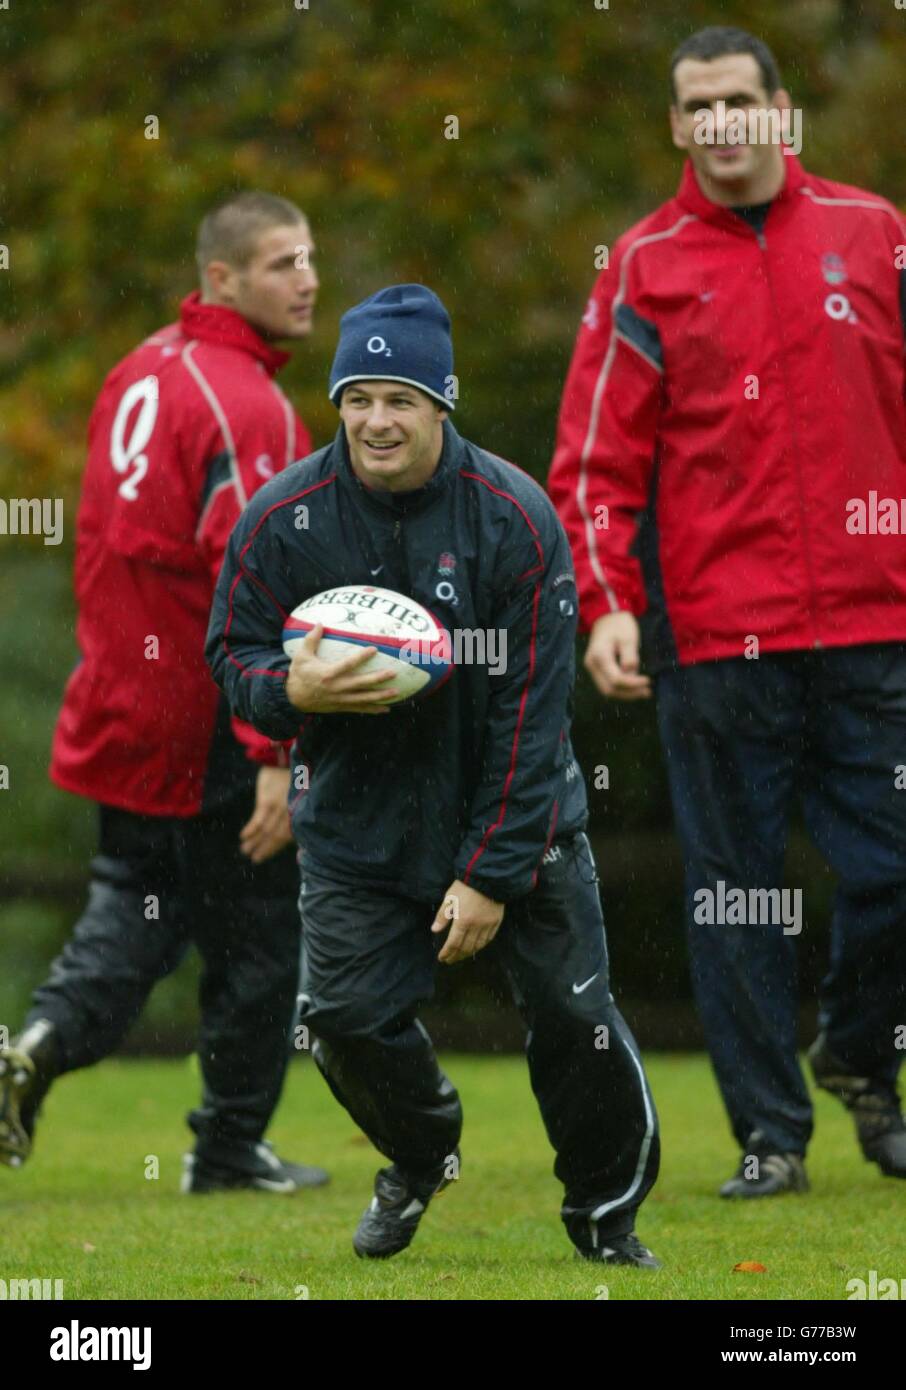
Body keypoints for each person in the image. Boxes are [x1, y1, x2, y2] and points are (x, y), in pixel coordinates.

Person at [206, 283, 661, 1263]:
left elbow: (531, 716)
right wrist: (295, 696)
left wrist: (491, 871)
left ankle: (605, 1214)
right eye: (359, 396)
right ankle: (419, 1152)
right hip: (358, 833)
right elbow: (233, 657)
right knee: (341, 1021)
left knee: (575, 1019)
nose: (376, 419)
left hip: (518, 821)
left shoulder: (514, 517)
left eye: (400, 399)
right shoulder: (283, 518)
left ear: (441, 404)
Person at [548, 25, 906, 1198]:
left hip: (876, 620)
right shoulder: (643, 266)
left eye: (739, 102)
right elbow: (595, 464)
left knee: (894, 868)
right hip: (716, 641)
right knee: (738, 893)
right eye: (698, 108)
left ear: (782, 110)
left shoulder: (874, 235)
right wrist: (605, 603)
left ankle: (858, 1052)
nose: (721, 125)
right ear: (677, 126)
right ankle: (772, 1137)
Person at [0, 192, 329, 1195]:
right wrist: (274, 750)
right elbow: (257, 584)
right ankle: (227, 1149)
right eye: (281, 263)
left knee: (137, 909)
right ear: (221, 278)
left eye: (311, 257)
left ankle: (40, 1044)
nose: (308, 278)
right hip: (211, 714)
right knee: (260, 933)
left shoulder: (137, 369)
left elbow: (105, 543)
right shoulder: (252, 408)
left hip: (121, 699)